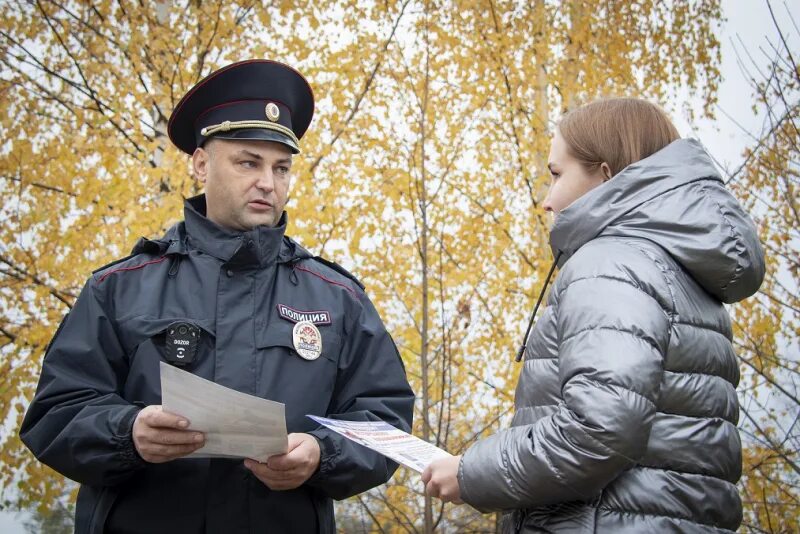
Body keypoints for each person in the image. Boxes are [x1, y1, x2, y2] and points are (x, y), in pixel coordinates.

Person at [20, 60, 415, 534]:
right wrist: (127, 433)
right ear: (202, 164)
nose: (268, 182)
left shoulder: (338, 299)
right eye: (248, 162)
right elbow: (56, 412)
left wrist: (322, 454)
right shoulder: (120, 287)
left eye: (281, 167)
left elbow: (384, 421)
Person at [423, 98, 764, 532]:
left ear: (605, 176)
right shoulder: (676, 267)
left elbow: (600, 429)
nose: (547, 201)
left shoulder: (612, 262)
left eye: (556, 175)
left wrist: (471, 472)